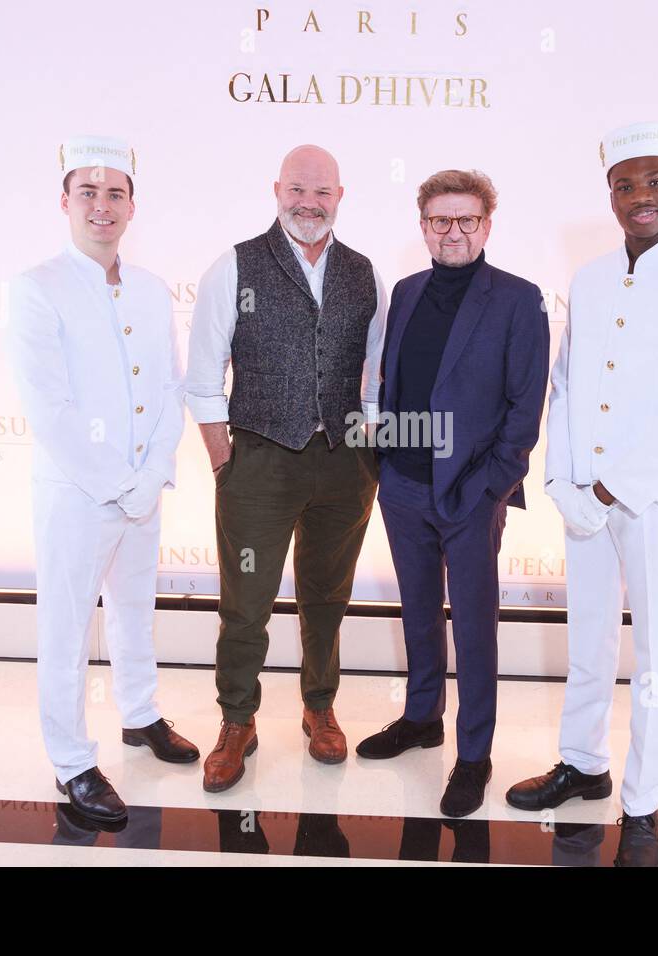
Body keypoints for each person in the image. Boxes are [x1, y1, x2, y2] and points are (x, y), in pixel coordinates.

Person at [506, 122, 658, 866]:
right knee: (586, 643)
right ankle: (583, 765)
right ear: (609, 193)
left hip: (655, 501)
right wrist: (559, 479)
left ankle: (641, 804)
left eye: (654, 181)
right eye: (625, 183)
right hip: (585, 498)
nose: (641, 196)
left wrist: (604, 489)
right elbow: (571, 384)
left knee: (656, 655)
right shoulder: (592, 276)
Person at [184, 144, 387, 793]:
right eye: (298, 189)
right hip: (260, 461)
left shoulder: (363, 272)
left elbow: (378, 373)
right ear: (278, 189)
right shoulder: (235, 264)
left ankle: (319, 704)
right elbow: (202, 377)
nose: (309, 201)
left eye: (321, 192)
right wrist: (226, 464)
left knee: (327, 595)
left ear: (339, 196)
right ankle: (237, 721)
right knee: (246, 603)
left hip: (344, 465)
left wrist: (371, 444)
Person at [6, 135, 197, 824]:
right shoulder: (38, 288)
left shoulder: (149, 290)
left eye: (115, 193)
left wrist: (154, 476)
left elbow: (172, 386)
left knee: (134, 610)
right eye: (88, 192)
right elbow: (49, 411)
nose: (102, 206)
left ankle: (139, 714)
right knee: (66, 626)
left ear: (132, 205)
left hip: (143, 490)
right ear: (65, 201)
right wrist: (120, 482)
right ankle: (71, 763)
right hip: (78, 495)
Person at [354, 170, 548, 818]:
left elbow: (524, 413)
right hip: (402, 487)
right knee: (416, 614)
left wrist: (489, 490)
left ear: (487, 226)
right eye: (441, 220)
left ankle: (473, 756)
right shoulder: (406, 292)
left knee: (473, 627)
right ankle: (421, 718)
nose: (454, 231)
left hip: (470, 495)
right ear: (424, 227)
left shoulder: (520, 300)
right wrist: (382, 466)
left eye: (467, 220)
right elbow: (393, 382)